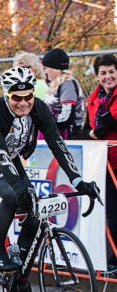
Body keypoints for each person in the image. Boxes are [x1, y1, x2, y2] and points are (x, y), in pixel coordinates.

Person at [0, 66, 100, 292]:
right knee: (11, 194)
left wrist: (77, 180)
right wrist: (19, 188)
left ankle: (19, 278)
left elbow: (56, 144)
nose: (23, 102)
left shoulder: (39, 107)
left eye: (28, 95)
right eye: (16, 98)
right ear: (7, 95)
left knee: (35, 214)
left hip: (11, 159)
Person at [85, 54, 117, 271]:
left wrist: (113, 123)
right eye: (103, 73)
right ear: (97, 76)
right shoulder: (94, 99)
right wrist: (93, 133)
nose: (108, 77)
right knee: (112, 212)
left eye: (112, 72)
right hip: (105, 163)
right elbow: (88, 128)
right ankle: (113, 259)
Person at [41, 48, 85, 140]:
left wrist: (45, 123)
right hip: (55, 133)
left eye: (46, 68)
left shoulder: (67, 83)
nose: (45, 72)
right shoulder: (55, 84)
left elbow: (67, 117)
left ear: (55, 68)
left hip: (67, 135)